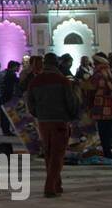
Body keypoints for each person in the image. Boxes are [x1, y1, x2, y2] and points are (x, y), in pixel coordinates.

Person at [26, 53, 81, 198]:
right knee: (58, 154)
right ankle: (50, 187)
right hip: (59, 120)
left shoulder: (35, 81)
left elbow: (29, 103)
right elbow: (71, 102)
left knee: (49, 153)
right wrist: (73, 115)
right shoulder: (62, 80)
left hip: (43, 121)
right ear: (56, 63)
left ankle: (57, 184)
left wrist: (38, 114)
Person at [88, 54, 112, 160]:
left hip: (100, 106)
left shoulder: (98, 74)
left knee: (102, 131)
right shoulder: (108, 72)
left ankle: (107, 154)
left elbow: (91, 88)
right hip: (109, 106)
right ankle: (108, 152)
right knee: (107, 131)